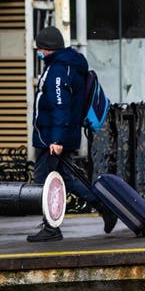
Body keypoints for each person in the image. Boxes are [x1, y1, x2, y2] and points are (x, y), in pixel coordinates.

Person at [27, 25, 117, 242]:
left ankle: (51, 228)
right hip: (54, 135)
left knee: (44, 182)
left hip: (52, 138)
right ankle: (103, 205)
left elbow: (60, 106)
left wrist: (56, 139)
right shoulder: (65, 65)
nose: (38, 52)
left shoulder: (59, 69)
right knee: (67, 178)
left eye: (39, 48)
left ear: (47, 49)